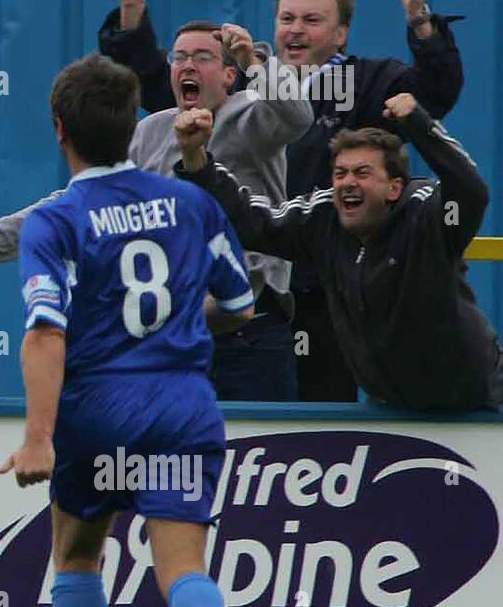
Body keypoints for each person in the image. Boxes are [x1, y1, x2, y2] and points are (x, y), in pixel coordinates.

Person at [104, 0, 465, 401]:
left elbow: (435, 91)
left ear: (341, 33)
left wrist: (420, 20)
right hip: (246, 291)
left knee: (314, 431)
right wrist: (133, 10)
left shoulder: (368, 82)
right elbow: (162, 79)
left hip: (326, 288)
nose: (295, 30)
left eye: (311, 20)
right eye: (287, 18)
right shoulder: (237, 86)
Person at [0, 53, 253, 607]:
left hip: (97, 408)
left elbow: (45, 330)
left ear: (59, 128)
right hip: (182, 405)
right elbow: (240, 306)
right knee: (184, 569)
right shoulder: (191, 203)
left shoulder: (55, 218)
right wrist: (177, 326)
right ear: (135, 123)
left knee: (78, 554)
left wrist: (37, 438)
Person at [0, 18, 308, 400]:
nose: (188, 65)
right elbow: (83, 200)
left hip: (249, 336)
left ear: (229, 75)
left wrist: (253, 61)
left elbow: (298, 116)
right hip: (175, 334)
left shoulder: (252, 115)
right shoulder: (152, 131)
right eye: (179, 58)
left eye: (203, 57)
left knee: (253, 455)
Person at [174, 93, 503, 412]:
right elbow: (251, 221)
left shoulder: (425, 214)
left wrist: (420, 124)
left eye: (363, 173)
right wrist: (196, 158)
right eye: (340, 173)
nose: (347, 183)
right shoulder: (323, 219)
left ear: (394, 187)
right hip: (393, 408)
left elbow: (470, 189)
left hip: (478, 403)